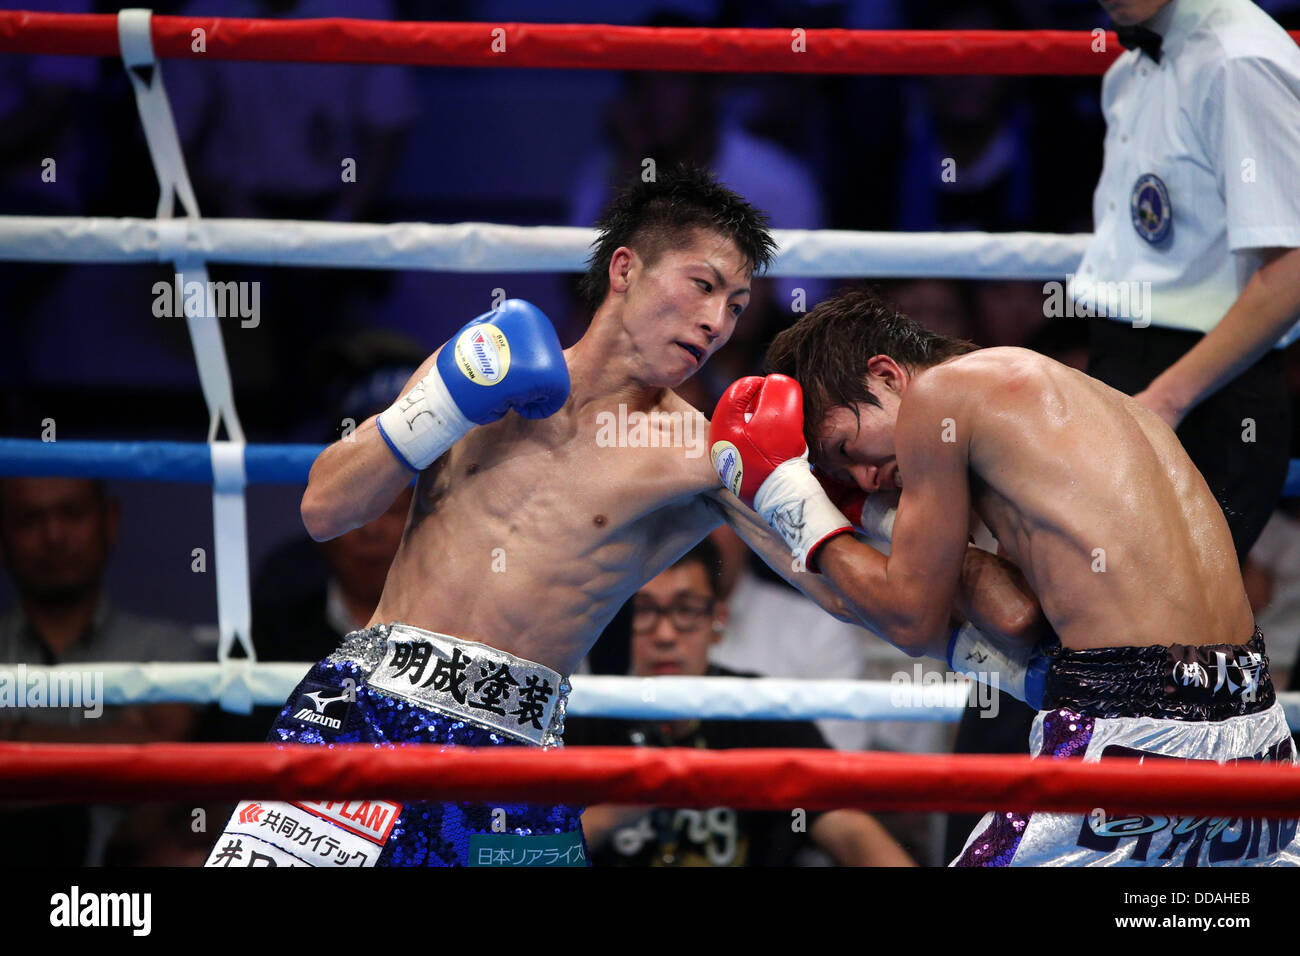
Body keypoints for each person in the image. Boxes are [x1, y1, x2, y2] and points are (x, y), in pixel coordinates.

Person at [206, 166, 1040, 868]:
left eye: (739, 305)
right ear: (627, 270)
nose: (719, 322)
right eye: (704, 286)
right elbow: (324, 509)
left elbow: (838, 584)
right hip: (368, 698)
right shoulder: (481, 364)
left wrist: (1019, 666)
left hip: (518, 754)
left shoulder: (705, 452)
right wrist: (446, 401)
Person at [712, 288, 1300, 866]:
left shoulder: (941, 397)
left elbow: (911, 620)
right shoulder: (1078, 405)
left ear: (887, 375)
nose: (863, 479)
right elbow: (1017, 620)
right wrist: (879, 517)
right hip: (1258, 734)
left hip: (1130, 729)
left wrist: (793, 499)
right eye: (841, 475)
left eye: (845, 448)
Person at [1071, 0, 1300, 562]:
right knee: (1106, 637)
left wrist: (1168, 401)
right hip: (1133, 374)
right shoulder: (1133, 65)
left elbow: (1295, 265)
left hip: (1206, 399)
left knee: (1161, 634)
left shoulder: (1239, 59)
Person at [568, 539, 914, 867]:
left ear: (717, 621)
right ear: (625, 621)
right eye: (645, 611)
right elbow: (533, 847)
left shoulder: (761, 710)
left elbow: (849, 829)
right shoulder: (590, 712)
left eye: (686, 609)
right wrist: (621, 808)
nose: (665, 634)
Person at [0, 477, 204, 865]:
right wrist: (120, 743)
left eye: (72, 514)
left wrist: (13, 737)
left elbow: (162, 755)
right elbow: (144, 756)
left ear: (110, 520)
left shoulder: (167, 646)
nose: (54, 536)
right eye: (29, 519)